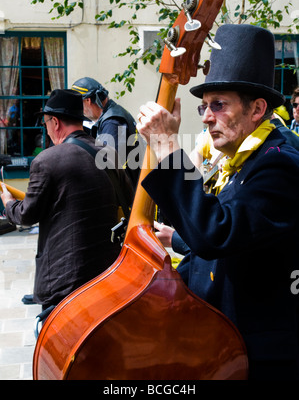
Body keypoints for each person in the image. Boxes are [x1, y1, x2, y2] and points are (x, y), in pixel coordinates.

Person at [137, 24, 299, 380]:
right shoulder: (239, 156)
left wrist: (167, 146)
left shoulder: (278, 163)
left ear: (257, 109)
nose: (207, 116)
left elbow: (217, 233)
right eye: (204, 107)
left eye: (219, 105)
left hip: (258, 357)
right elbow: (226, 232)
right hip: (224, 340)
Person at [0, 89, 134, 311]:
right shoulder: (108, 153)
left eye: (46, 124)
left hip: (66, 279)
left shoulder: (46, 160)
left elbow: (26, 215)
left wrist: (7, 201)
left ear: (55, 122)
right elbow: (128, 198)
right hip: (108, 270)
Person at [71, 77, 143, 188]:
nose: (82, 112)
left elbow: (108, 166)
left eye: (79, 105)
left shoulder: (112, 122)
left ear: (88, 100)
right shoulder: (114, 115)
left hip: (129, 194)